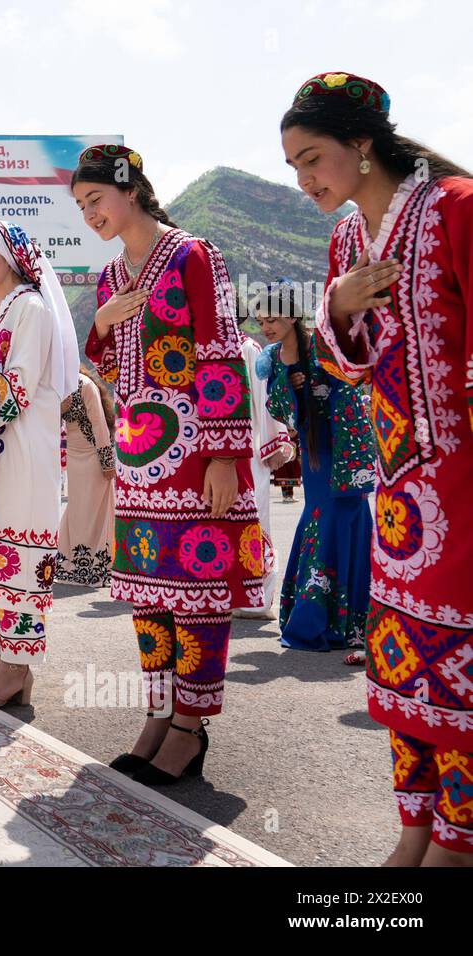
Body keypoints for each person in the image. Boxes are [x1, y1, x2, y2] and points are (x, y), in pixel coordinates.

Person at [282, 71, 473, 864]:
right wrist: (336, 306)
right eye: (293, 166)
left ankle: (459, 842)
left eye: (313, 158)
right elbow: (348, 367)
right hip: (396, 485)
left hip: (461, 480)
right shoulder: (347, 241)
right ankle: (414, 831)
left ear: (363, 146)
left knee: (460, 662)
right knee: (403, 663)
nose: (304, 180)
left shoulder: (457, 208)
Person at [77, 145, 260, 785]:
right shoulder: (107, 277)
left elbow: (220, 350)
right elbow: (104, 365)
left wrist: (224, 454)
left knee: (196, 591)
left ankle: (189, 726)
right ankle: (158, 713)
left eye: (95, 199)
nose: (89, 214)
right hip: (137, 453)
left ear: (130, 191)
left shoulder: (191, 255)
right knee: (148, 592)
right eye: (81, 206)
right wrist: (99, 322)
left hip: (193, 453)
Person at [0, 224, 80, 705]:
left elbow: (20, 385)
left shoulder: (31, 307)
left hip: (23, 448)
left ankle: (17, 668)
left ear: (11, 256)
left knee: (18, 554)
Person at [256, 291, 373, 659]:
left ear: (291, 317)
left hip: (344, 451)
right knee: (320, 521)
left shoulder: (324, 349)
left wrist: (318, 393)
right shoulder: (272, 359)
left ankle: (349, 622)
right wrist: (288, 387)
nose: (266, 328)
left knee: (346, 522)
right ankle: (322, 619)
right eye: (260, 322)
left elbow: (352, 389)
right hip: (315, 454)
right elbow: (276, 408)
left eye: (271, 320)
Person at [234, 312, 296, 621]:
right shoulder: (208, 349)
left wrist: (271, 444)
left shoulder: (248, 350)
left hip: (247, 452)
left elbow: (265, 400)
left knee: (253, 522)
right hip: (226, 452)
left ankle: (256, 599)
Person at [56, 367, 116, 588]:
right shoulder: (72, 385)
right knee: (89, 511)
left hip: (86, 456)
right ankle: (89, 566)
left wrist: (105, 461)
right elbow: (99, 425)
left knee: (84, 510)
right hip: (83, 456)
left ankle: (77, 564)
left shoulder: (69, 385)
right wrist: (108, 462)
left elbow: (98, 424)